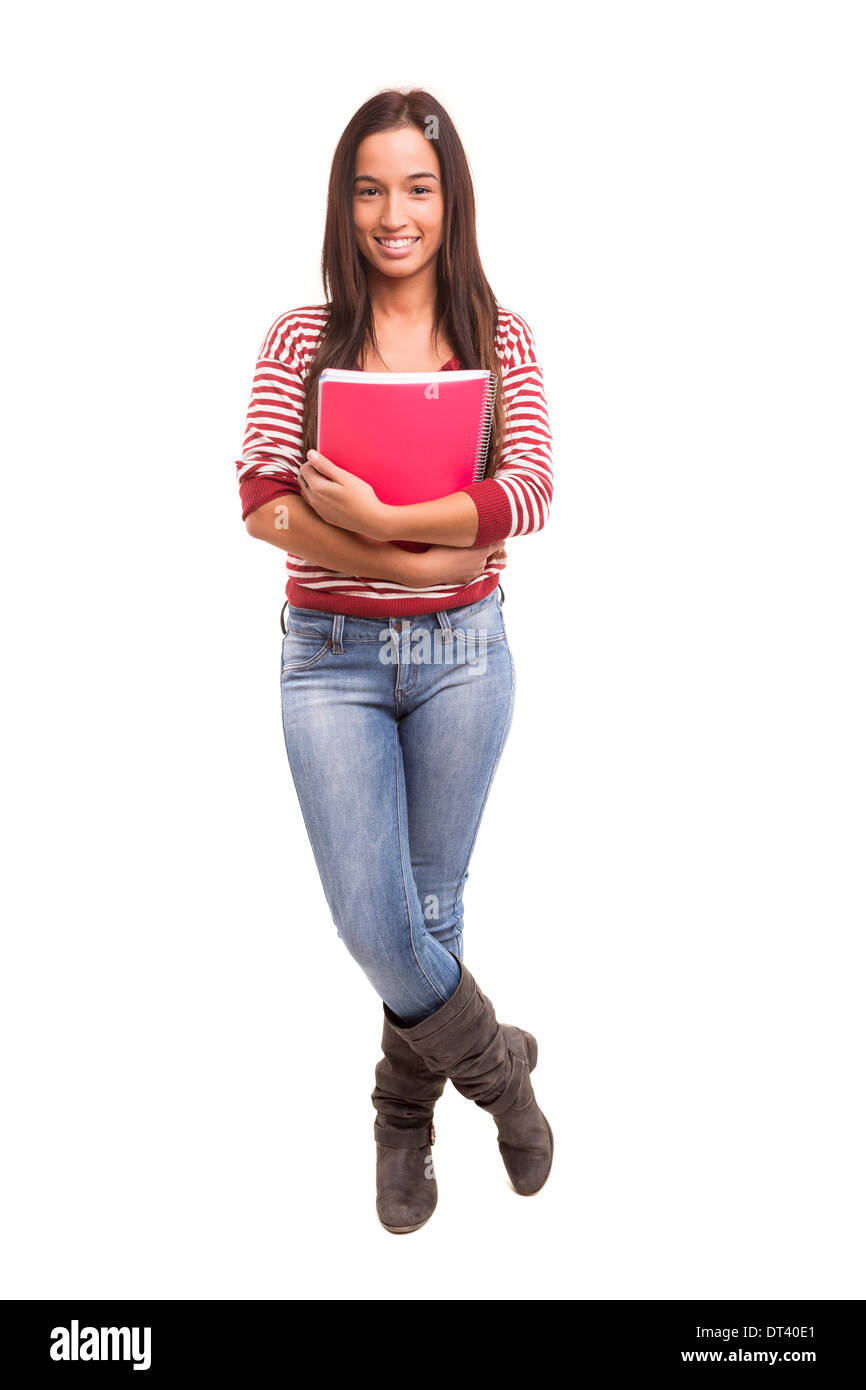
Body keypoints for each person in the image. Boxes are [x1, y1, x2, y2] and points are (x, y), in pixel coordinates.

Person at [235, 88, 555, 1234]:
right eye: (369, 188)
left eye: (415, 186)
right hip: (329, 660)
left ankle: (400, 1120)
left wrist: (386, 527)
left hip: (466, 655)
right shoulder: (299, 341)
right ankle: (497, 1069)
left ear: (448, 197)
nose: (392, 212)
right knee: (375, 920)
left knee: (427, 903)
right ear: (345, 201)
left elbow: (527, 492)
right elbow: (262, 500)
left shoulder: (497, 336)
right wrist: (408, 545)